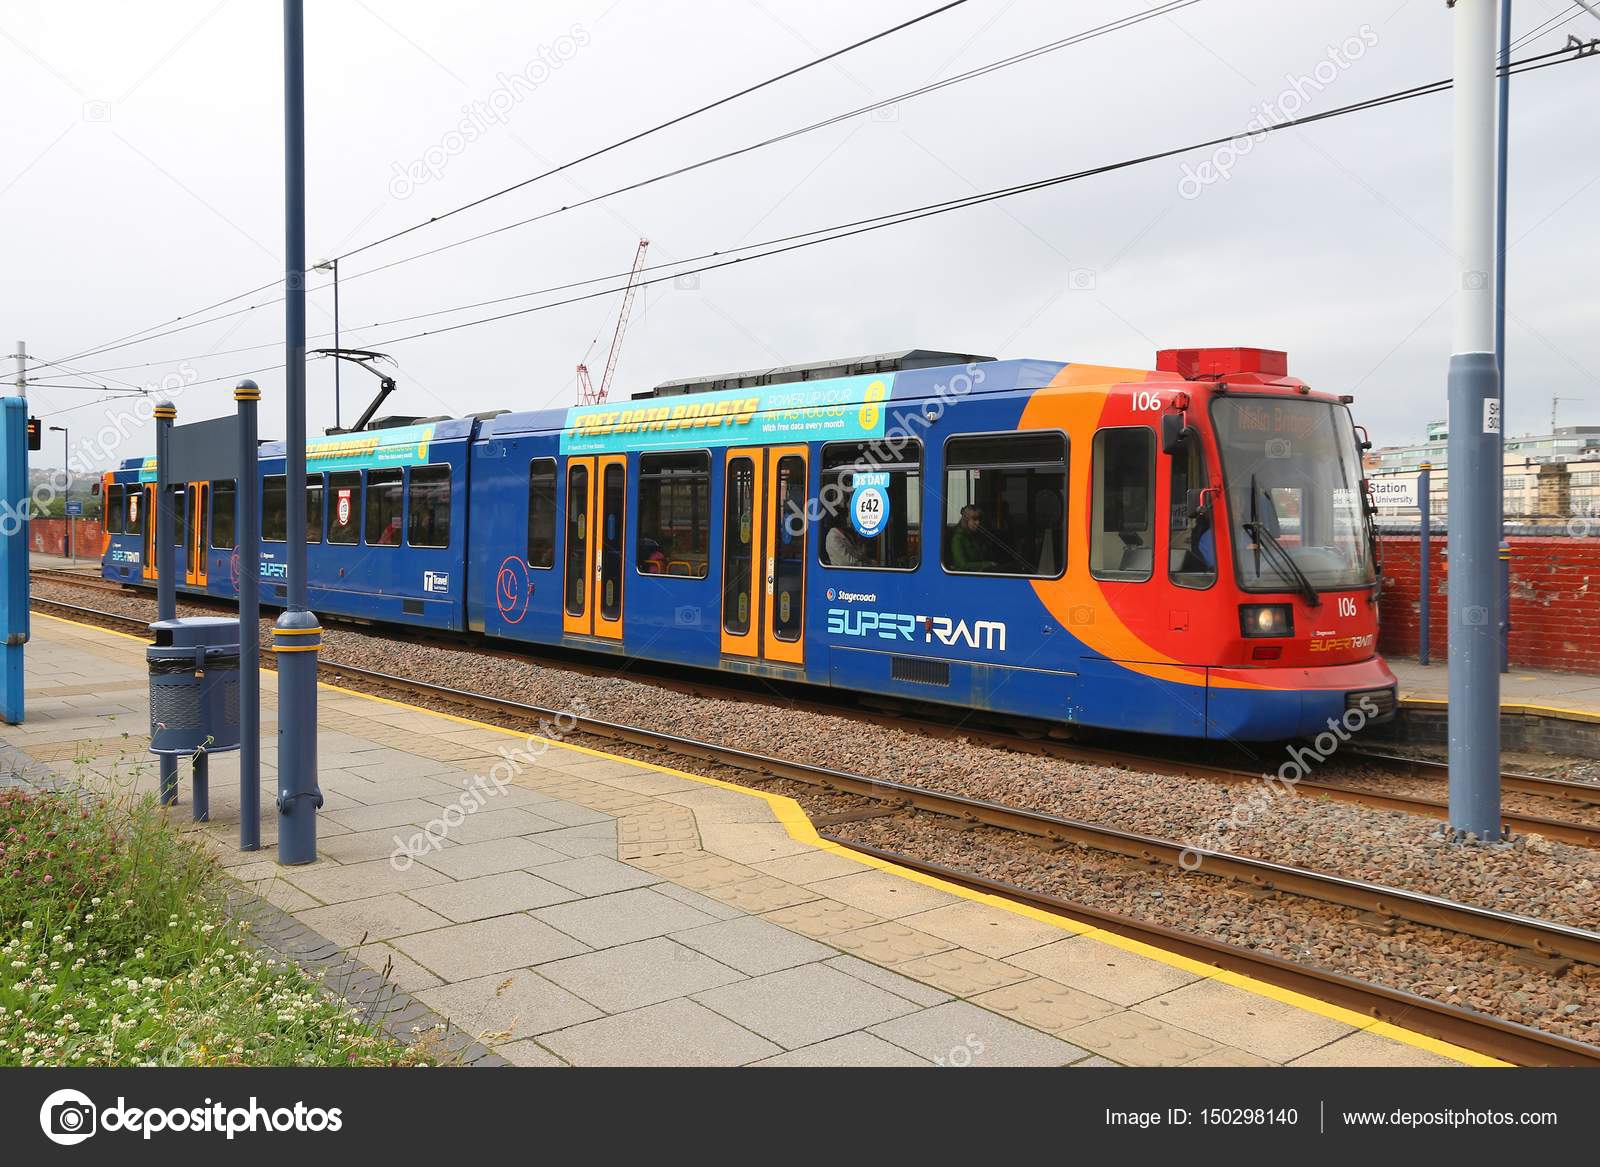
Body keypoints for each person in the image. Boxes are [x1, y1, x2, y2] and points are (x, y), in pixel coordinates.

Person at [950, 505, 996, 571]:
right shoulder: (958, 538)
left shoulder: (978, 536)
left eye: (979, 519)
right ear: (966, 520)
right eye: (974, 519)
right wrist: (987, 564)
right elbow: (961, 565)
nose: (978, 522)